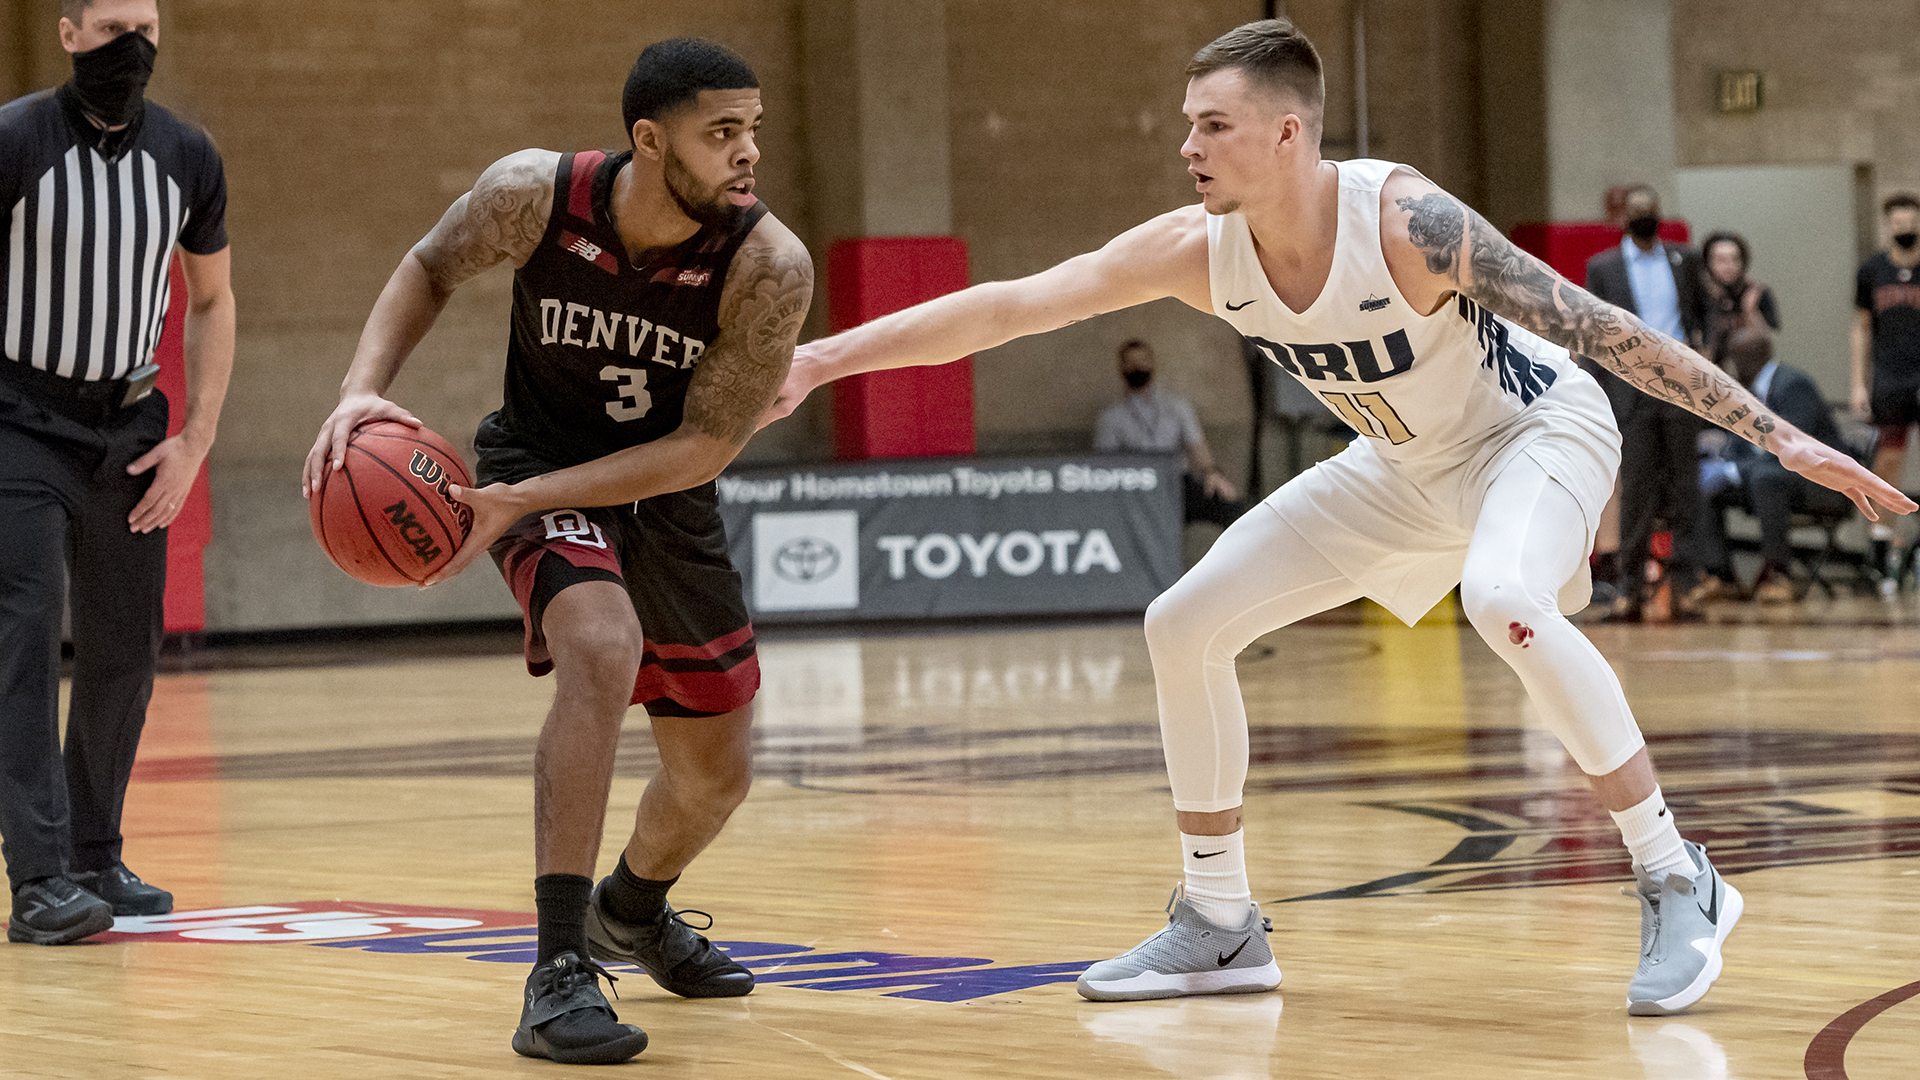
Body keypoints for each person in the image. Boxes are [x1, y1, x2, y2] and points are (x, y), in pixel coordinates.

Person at [760, 19, 1910, 1016]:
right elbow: (1011, 308)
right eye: (1187, 124)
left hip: (1537, 435)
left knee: (1501, 597)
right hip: (1402, 463)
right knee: (1183, 621)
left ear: (1286, 135)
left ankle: (1676, 874)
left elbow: (1602, 329)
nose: (1187, 146)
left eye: (1211, 125)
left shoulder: (1407, 222)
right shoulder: (1196, 253)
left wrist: (1778, 435)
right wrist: (818, 359)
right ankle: (1219, 918)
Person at [303, 39, 811, 1065]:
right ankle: (558, 970)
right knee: (599, 646)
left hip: (661, 491)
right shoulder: (533, 196)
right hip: (534, 461)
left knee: (715, 777)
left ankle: (634, 907)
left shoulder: (768, 266)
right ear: (648, 139)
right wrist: (361, 390)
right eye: (722, 133)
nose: (747, 153)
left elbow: (705, 445)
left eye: (752, 130)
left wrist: (523, 501)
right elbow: (427, 266)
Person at [0, 0, 234, 945]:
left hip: (132, 427)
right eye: (109, 30)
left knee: (126, 649)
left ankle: (96, 853)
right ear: (68, 34)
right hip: (17, 416)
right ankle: (41, 876)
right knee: (23, 632)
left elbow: (213, 300)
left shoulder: (188, 155)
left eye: (145, 28)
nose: (130, 48)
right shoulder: (16, 139)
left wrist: (197, 439)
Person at [1583, 186, 1710, 621]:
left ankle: (1687, 587)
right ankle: (1630, 588)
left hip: (1679, 385)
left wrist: (1705, 354)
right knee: (1636, 490)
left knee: (1684, 489)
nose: (1645, 218)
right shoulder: (1603, 267)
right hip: (1631, 390)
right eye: (1637, 212)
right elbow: (1594, 330)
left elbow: (1704, 313)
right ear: (1625, 219)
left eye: (1651, 211)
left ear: (1659, 215)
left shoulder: (1684, 259)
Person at [1695, 327, 1851, 603]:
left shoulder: (1793, 385)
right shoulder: (1746, 393)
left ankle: (1780, 576)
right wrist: (1725, 463)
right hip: (1769, 480)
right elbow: (1739, 445)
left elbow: (1792, 451)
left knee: (1766, 478)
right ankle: (1720, 576)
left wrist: (1733, 470)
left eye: (1741, 357)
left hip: (1820, 483)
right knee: (1707, 486)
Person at [1095, 338, 1244, 527]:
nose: (1137, 367)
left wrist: (1211, 472)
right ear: (1121, 369)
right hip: (1136, 488)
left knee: (1230, 504)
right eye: (1131, 363)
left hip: (1176, 483)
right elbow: (1104, 465)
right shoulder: (1111, 418)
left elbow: (1196, 445)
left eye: (1142, 361)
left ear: (1152, 363)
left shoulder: (1177, 406)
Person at [1851, 193, 1920, 589]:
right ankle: (1880, 550)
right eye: (1897, 223)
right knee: (1888, 463)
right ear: (1888, 226)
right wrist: (1858, 383)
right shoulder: (1871, 271)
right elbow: (1859, 328)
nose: (1904, 229)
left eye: (1910, 223)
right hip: (1890, 379)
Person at [1700, 231, 1779, 365]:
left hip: (1748, 372)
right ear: (1708, 263)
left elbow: (1767, 344)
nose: (1728, 266)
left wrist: (1750, 312)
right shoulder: (1699, 297)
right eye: (1721, 260)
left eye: (1734, 259)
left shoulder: (1756, 293)